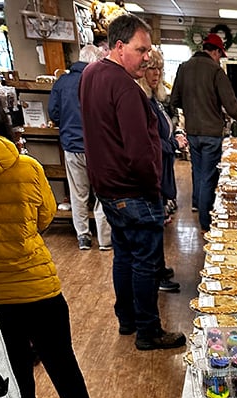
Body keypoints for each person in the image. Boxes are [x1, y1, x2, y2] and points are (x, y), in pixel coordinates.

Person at [0, 96, 108, 398]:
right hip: (38, 286)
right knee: (61, 360)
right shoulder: (26, 167)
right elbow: (45, 216)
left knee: (15, 380)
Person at [79, 13, 185, 350]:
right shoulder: (125, 87)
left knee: (124, 256)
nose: (146, 57)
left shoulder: (91, 74)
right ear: (119, 46)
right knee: (145, 263)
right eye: (141, 50)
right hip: (134, 190)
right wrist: (155, 190)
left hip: (108, 188)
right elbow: (139, 151)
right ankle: (148, 331)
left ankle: (127, 319)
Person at [170, 31, 237, 232]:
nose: (219, 59)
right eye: (220, 55)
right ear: (215, 52)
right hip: (212, 133)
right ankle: (206, 222)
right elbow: (231, 105)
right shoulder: (216, 71)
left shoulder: (184, 67)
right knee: (208, 177)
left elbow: (175, 100)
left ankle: (198, 205)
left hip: (192, 131)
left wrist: (192, 107)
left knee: (198, 172)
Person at [48, 43, 112, 252]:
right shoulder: (100, 81)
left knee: (78, 194)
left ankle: (83, 236)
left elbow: (54, 113)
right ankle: (105, 239)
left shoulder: (62, 82)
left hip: (72, 145)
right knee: (102, 193)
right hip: (98, 147)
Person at [138, 47, 184, 293]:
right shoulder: (142, 101)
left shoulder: (153, 99)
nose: (156, 74)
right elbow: (150, 142)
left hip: (161, 169)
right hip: (152, 174)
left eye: (159, 69)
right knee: (153, 228)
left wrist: (174, 137)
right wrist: (173, 144)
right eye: (151, 68)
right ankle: (155, 276)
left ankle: (159, 267)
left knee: (158, 224)